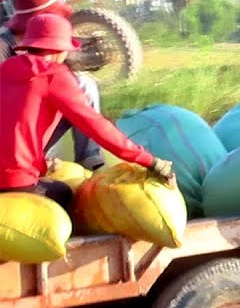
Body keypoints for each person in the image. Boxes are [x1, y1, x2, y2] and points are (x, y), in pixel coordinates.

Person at [0, 13, 173, 209]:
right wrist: (150, 161)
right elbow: (96, 126)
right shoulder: (53, 75)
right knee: (68, 195)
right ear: (60, 50)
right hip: (15, 182)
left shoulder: (5, 69)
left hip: (14, 173)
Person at [2, 0, 106, 170]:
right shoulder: (3, 50)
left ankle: (90, 159)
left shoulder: (45, 47)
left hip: (29, 132)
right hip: (10, 141)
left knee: (83, 85)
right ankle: (29, 163)